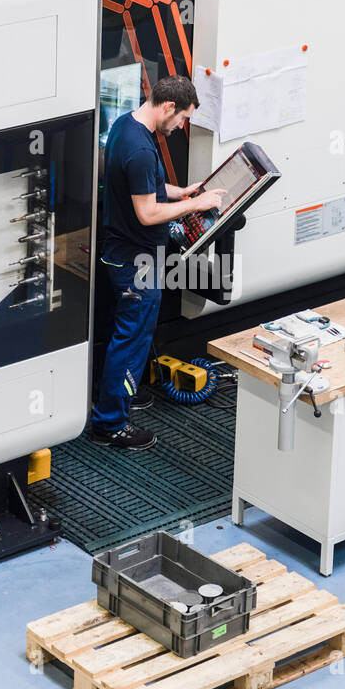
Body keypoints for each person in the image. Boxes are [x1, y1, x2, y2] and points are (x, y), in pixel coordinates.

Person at [90, 76, 225, 450]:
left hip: (123, 252)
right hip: (136, 262)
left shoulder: (127, 126)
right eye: (183, 119)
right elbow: (148, 212)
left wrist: (183, 192)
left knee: (127, 336)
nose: (181, 126)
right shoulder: (141, 149)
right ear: (169, 107)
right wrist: (196, 205)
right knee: (131, 339)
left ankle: (117, 396)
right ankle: (110, 424)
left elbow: (146, 187)